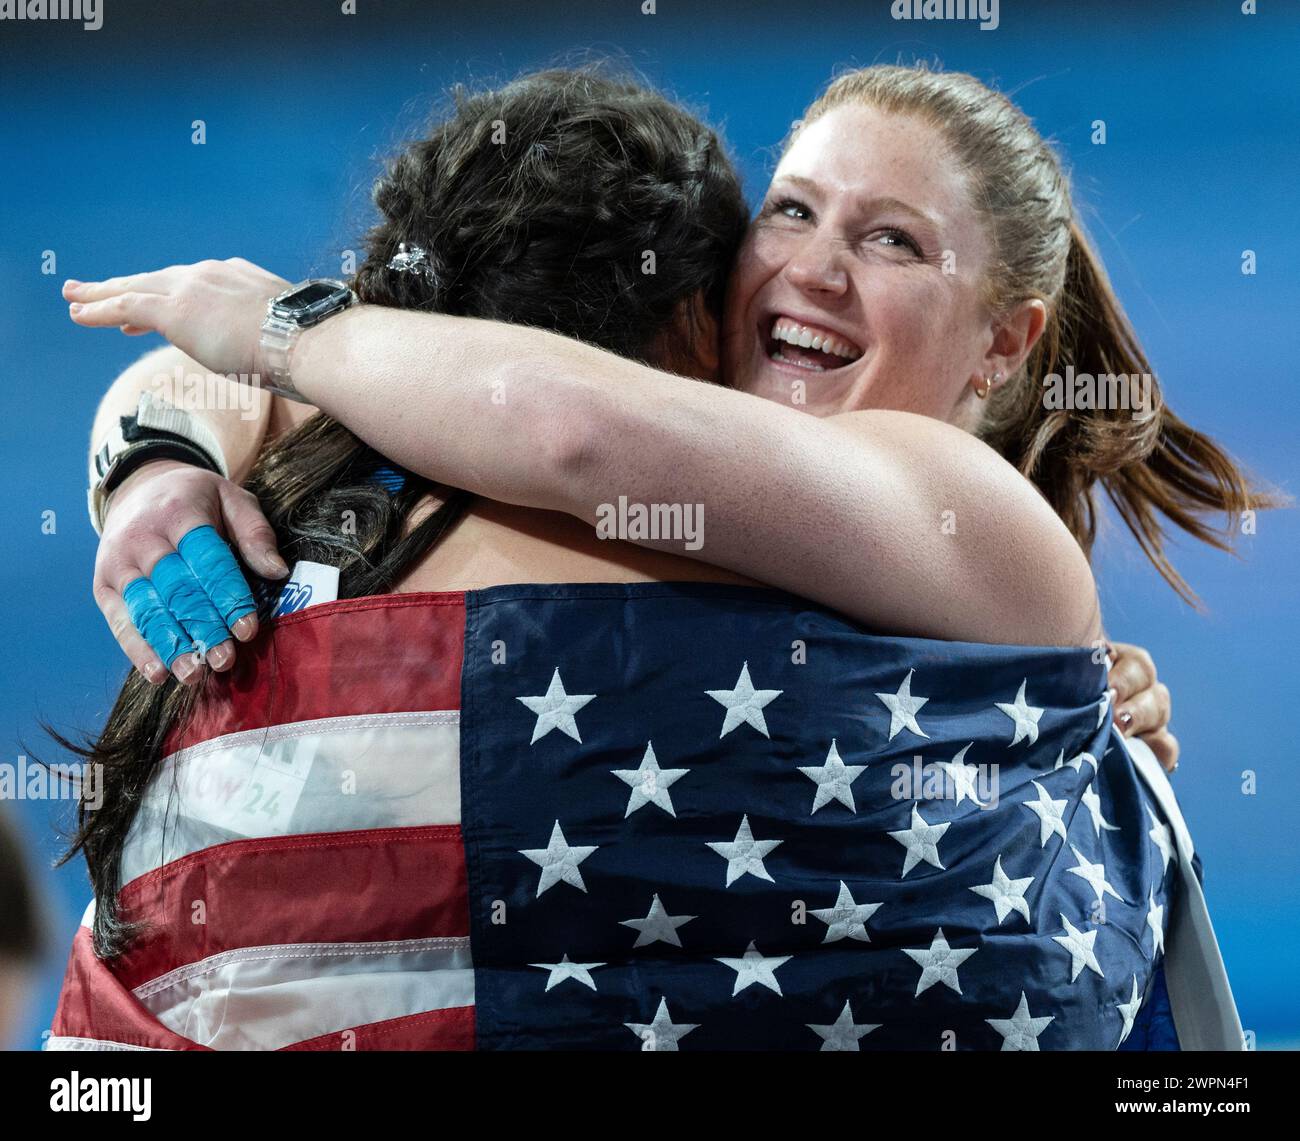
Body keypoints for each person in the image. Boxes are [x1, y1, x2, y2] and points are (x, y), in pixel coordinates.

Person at [53, 64, 1244, 1049]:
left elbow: (567, 426)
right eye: (791, 210)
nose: (813, 268)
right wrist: (155, 461)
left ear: (1004, 341)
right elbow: (196, 381)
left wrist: (284, 326)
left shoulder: (962, 511)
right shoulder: (577, 448)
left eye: (890, 240)